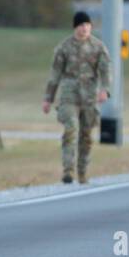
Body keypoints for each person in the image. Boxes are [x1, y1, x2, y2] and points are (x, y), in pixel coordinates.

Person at [42, 10, 111, 184]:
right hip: (69, 93)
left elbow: (105, 70)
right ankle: (68, 170)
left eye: (87, 25)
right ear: (75, 27)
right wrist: (48, 98)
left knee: (86, 135)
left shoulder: (98, 47)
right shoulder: (64, 48)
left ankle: (82, 172)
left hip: (89, 95)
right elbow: (55, 74)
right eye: (81, 25)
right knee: (71, 128)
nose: (84, 28)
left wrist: (105, 89)